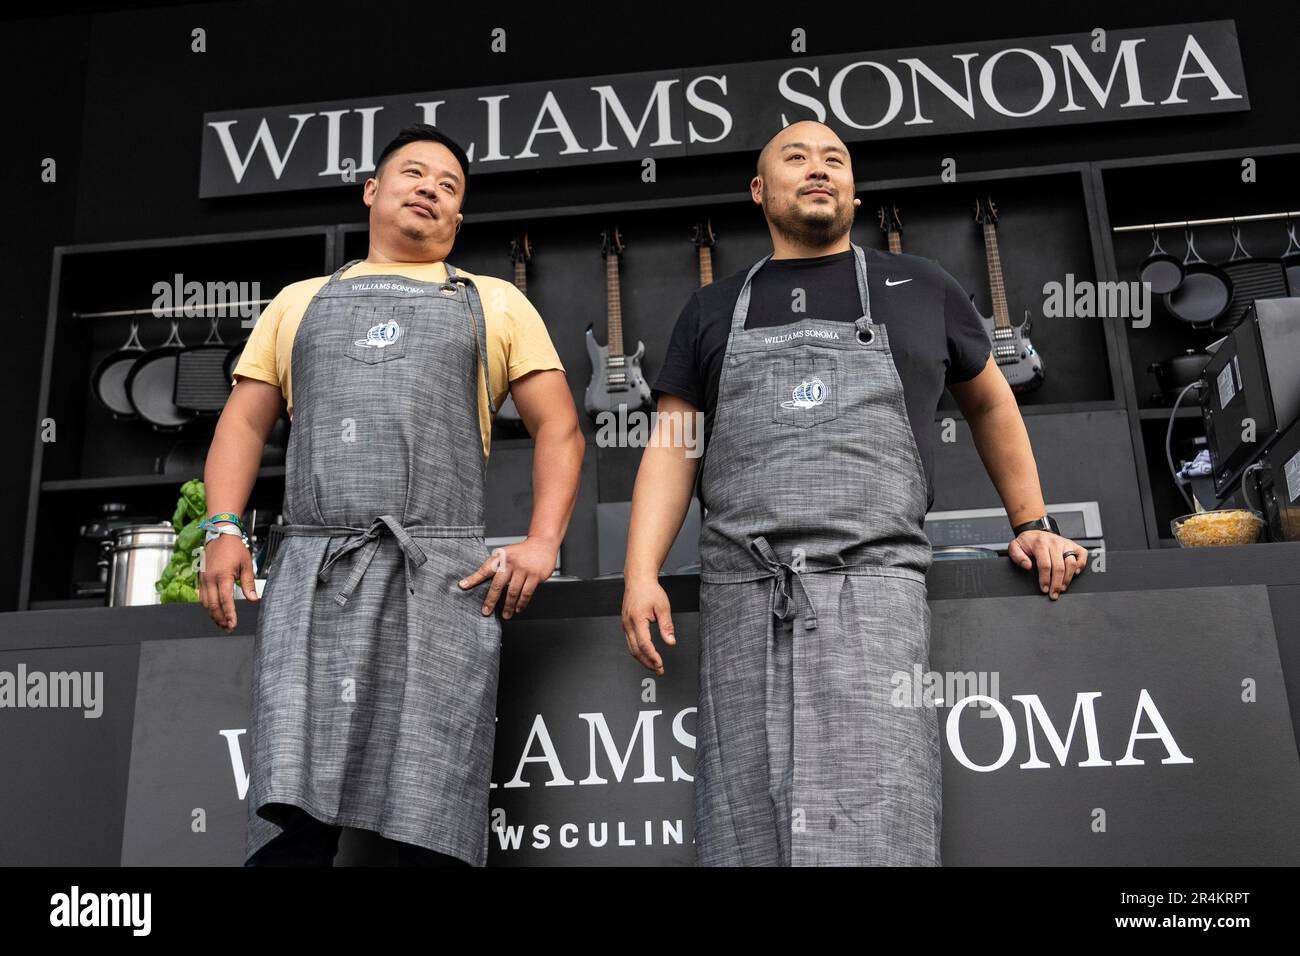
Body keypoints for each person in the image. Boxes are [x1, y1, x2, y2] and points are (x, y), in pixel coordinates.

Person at [621, 120, 1089, 866]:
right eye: (796, 157)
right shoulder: (711, 309)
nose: (819, 169)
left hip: (877, 591)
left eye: (835, 159)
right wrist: (641, 571)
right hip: (744, 598)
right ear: (758, 189)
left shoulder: (923, 286)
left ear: (854, 190)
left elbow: (992, 403)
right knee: (746, 831)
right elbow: (674, 447)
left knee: (878, 821)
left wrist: (1033, 520)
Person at [200, 124, 585, 866]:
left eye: (449, 186)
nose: (430, 189)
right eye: (414, 173)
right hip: (314, 573)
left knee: (428, 817)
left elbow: (561, 429)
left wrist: (543, 541)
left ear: (458, 218)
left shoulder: (496, 303)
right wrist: (223, 527)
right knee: (291, 822)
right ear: (372, 191)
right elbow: (243, 424)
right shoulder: (297, 302)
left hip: (439, 578)